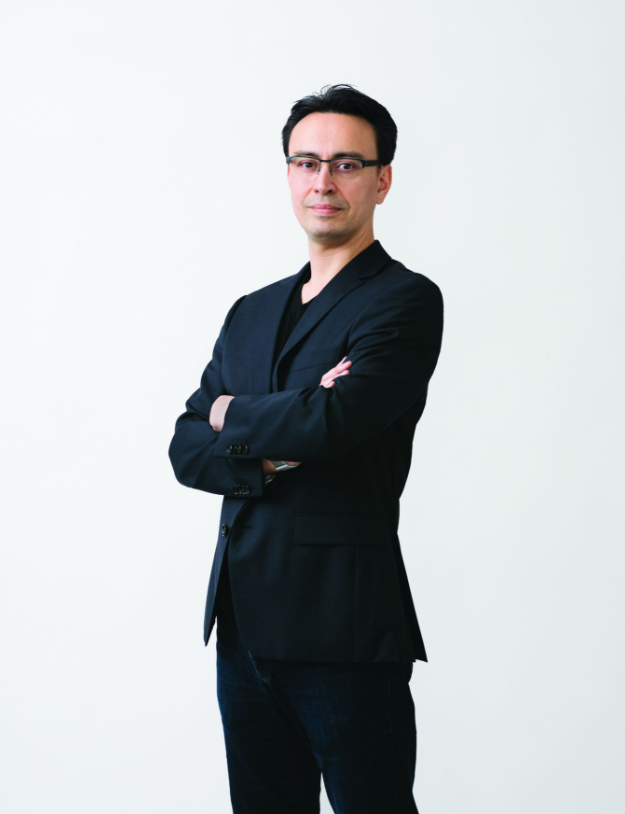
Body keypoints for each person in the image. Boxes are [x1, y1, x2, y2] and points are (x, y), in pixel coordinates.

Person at [168, 85, 443, 813]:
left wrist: (239, 416)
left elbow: (340, 419)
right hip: (243, 628)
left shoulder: (403, 301)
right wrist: (275, 433)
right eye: (307, 161)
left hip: (342, 630)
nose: (324, 181)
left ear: (382, 179)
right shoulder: (251, 312)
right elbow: (186, 446)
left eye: (348, 163)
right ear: (288, 174)